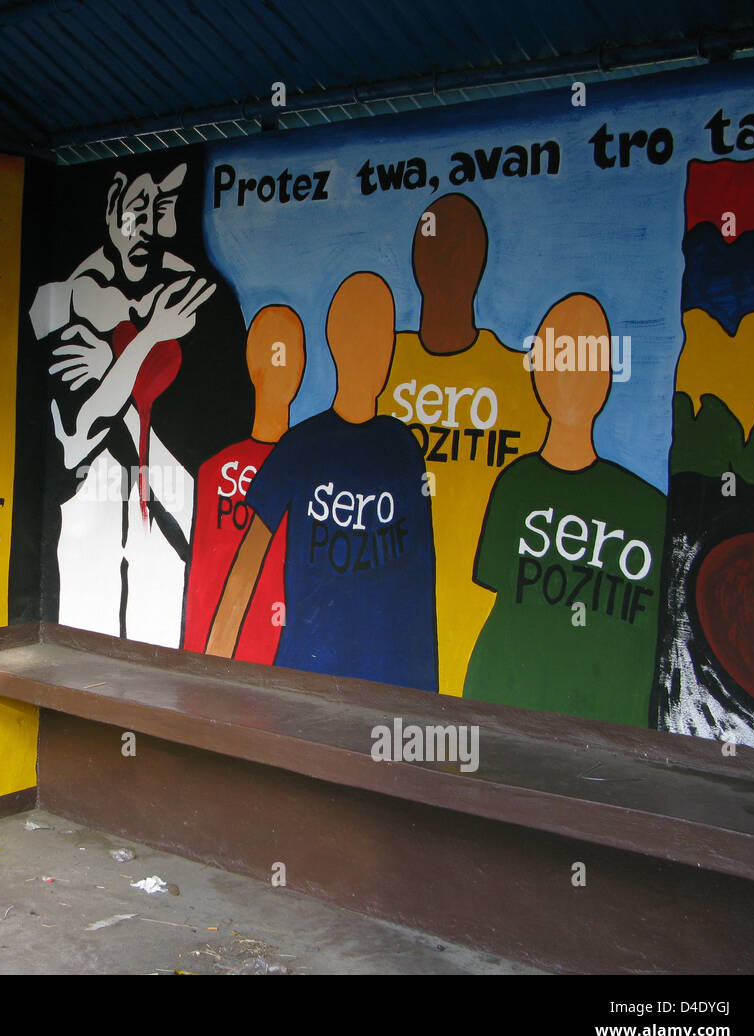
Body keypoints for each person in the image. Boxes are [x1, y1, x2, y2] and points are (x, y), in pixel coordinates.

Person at [29, 161, 247, 646]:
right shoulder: (73, 299)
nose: (148, 228)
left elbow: (215, 441)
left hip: (164, 525)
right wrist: (140, 345)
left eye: (162, 209)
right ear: (112, 207)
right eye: (138, 210)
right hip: (95, 525)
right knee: (88, 647)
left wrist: (117, 362)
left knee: (162, 647)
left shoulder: (195, 300)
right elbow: (75, 440)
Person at [206, 273, 437, 689]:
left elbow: (422, 579)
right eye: (359, 336)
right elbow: (247, 563)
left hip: (392, 685)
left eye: (383, 338)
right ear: (335, 342)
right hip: (307, 676)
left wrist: (427, 702)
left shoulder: (402, 449)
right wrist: (209, 675)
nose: (374, 353)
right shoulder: (303, 445)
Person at [464, 293, 665, 724]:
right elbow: (497, 600)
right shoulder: (517, 485)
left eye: (586, 360)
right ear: (537, 371)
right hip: (505, 708)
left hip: (610, 734)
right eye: (561, 357)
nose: (572, 375)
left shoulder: (651, 512)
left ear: (608, 377)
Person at [384, 193, 548, 696]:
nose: (447, 259)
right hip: (383, 641)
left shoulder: (521, 383)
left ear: (480, 260)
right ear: (414, 261)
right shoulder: (377, 367)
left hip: (483, 653)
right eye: (434, 244)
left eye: (461, 247)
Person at [182, 305, 305, 663]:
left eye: (287, 357)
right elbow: (203, 571)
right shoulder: (214, 470)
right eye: (272, 355)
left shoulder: (306, 468)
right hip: (213, 653)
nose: (280, 370)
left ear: (300, 370)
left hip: (281, 655)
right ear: (252, 365)